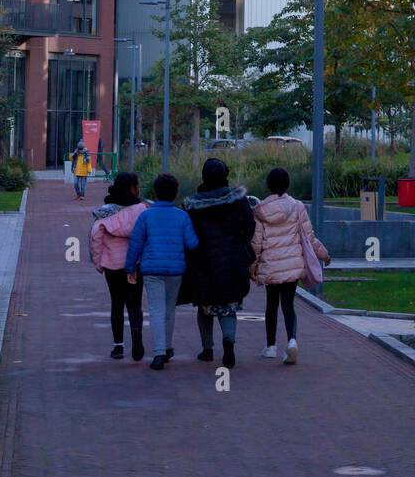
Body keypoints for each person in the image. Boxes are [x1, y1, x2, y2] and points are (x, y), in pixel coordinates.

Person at [251, 166, 331, 365]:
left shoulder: (260, 211)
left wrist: (252, 267)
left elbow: (256, 243)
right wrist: (324, 255)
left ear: (268, 185)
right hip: (293, 265)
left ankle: (270, 347)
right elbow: (309, 238)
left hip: (270, 266)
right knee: (288, 305)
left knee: (271, 305)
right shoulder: (297, 206)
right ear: (287, 185)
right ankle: (292, 340)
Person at [183, 158, 255, 370]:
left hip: (204, 262)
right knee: (229, 305)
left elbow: (189, 235)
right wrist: (241, 241)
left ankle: (207, 349)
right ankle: (229, 341)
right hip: (233, 260)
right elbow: (249, 225)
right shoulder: (238, 200)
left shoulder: (193, 205)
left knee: (205, 306)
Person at [124, 173, 199, 371]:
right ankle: (167, 347)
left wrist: (130, 267)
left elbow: (135, 244)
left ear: (155, 193)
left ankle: (158, 353)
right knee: (169, 309)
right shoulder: (182, 216)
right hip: (175, 269)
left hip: (151, 269)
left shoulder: (146, 215)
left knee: (156, 310)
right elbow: (192, 243)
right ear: (175, 194)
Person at [89, 172, 147, 361]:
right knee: (135, 304)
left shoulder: (106, 212)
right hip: (135, 266)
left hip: (112, 265)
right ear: (132, 188)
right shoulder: (141, 210)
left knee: (117, 303)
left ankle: (118, 346)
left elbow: (95, 238)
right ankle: (137, 341)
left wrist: (98, 262)